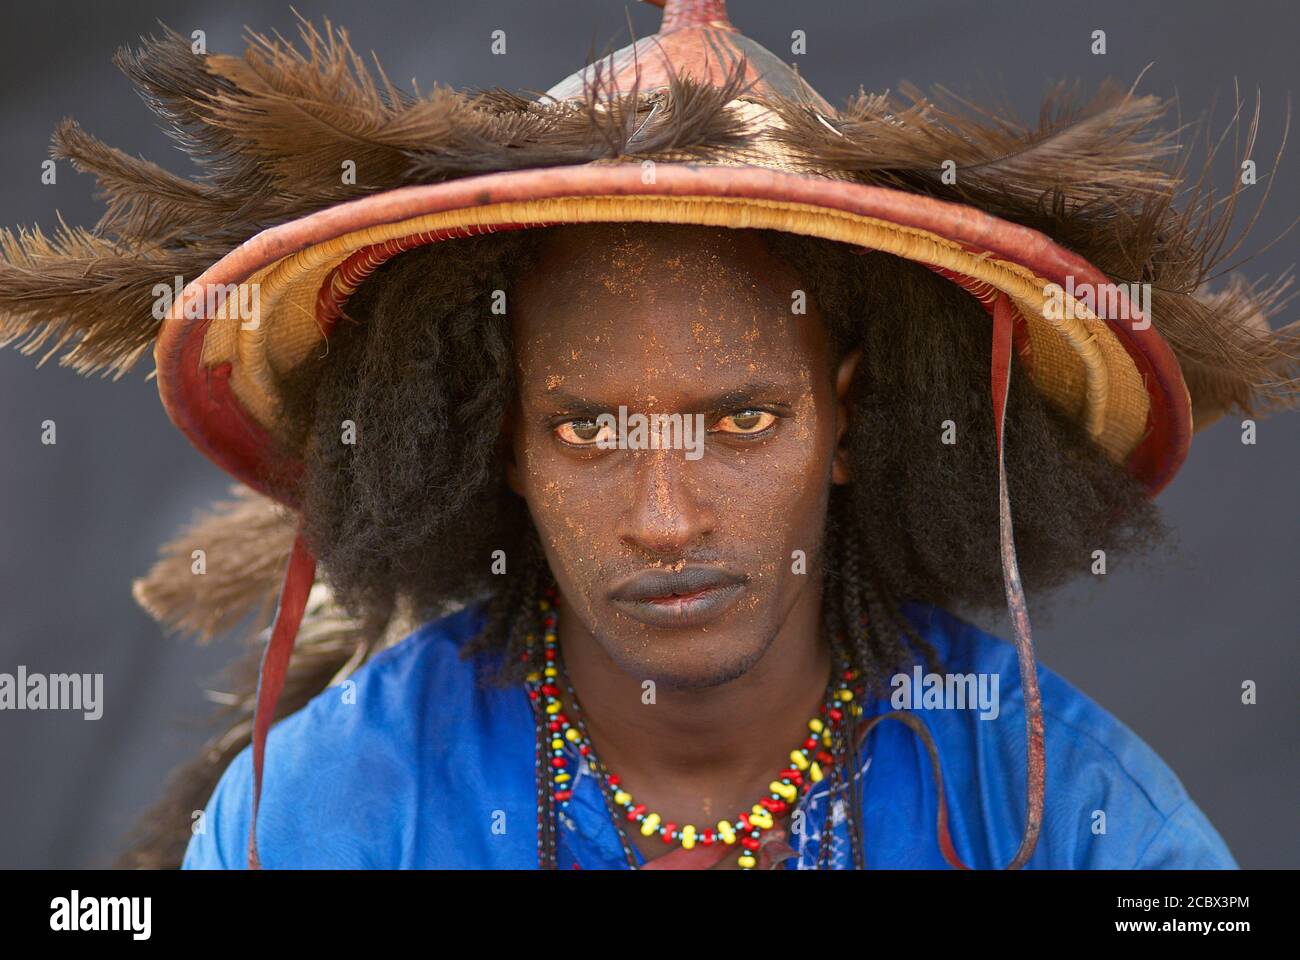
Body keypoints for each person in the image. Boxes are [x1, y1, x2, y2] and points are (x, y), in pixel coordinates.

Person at [1, 1, 1289, 869]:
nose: (666, 516)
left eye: (743, 420)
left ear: (849, 420)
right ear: (502, 444)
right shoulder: (330, 816)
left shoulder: (1077, 818)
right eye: (587, 428)